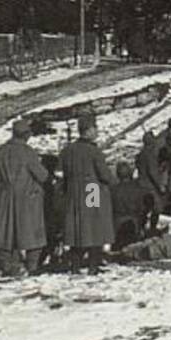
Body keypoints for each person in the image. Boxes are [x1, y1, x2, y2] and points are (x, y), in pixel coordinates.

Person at [60, 115, 116, 275]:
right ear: (89, 130)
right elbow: (104, 175)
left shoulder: (68, 150)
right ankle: (93, 265)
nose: (97, 131)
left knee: (77, 227)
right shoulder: (93, 151)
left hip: (73, 191)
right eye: (95, 128)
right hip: (92, 189)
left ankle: (75, 265)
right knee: (95, 226)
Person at [0, 118, 48, 276]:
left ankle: (10, 266)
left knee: (8, 234)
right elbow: (41, 175)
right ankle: (32, 266)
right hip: (27, 199)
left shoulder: (1, 151)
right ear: (26, 135)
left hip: (6, 197)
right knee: (33, 235)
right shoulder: (27, 152)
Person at [135, 129, 167, 234]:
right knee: (156, 208)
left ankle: (141, 228)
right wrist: (160, 186)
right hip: (150, 186)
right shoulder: (150, 155)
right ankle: (152, 229)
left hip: (141, 184)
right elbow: (152, 172)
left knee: (144, 210)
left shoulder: (140, 154)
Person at [111, 163, 148, 250]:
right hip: (134, 224)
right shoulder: (138, 189)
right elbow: (143, 208)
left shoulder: (112, 190)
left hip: (116, 225)